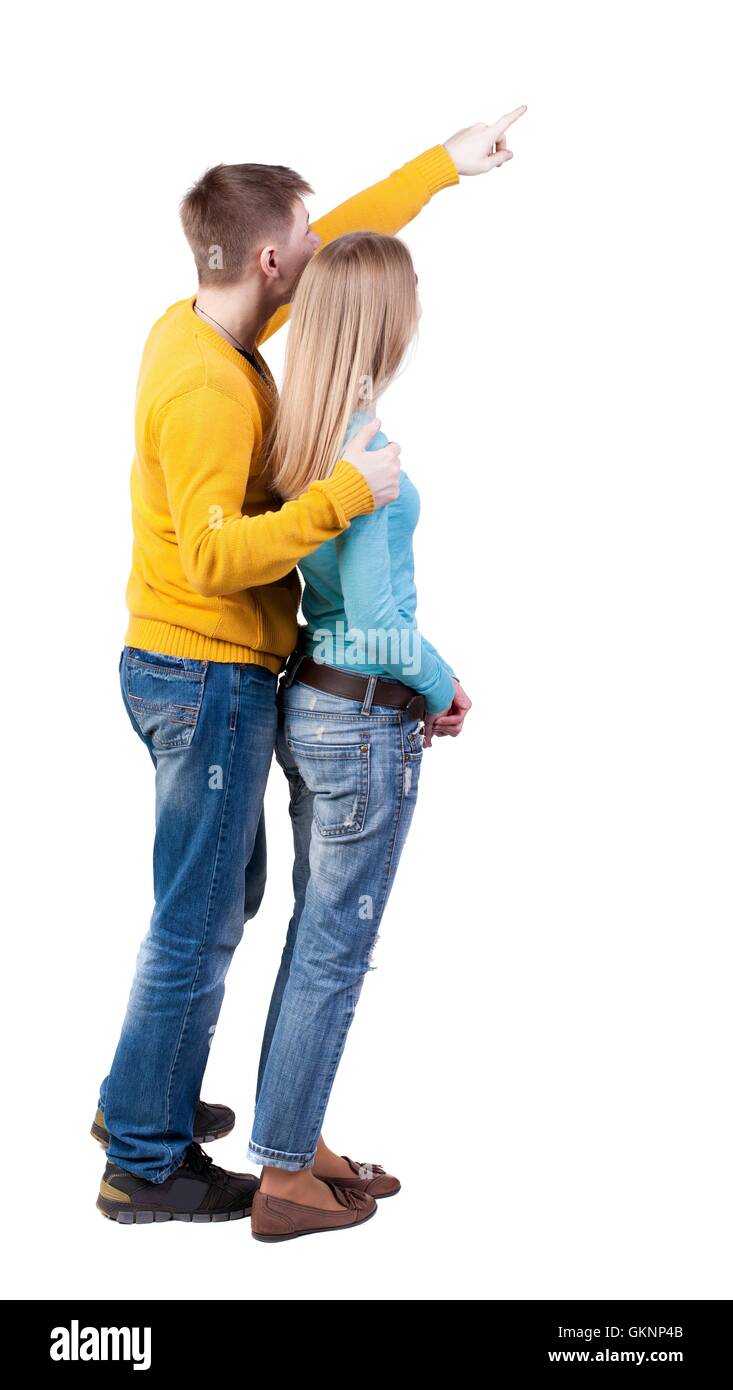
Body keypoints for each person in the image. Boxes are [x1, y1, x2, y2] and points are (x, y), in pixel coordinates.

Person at [94, 110, 526, 1229]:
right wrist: (348, 498)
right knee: (197, 918)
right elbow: (215, 553)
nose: (323, 247)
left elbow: (341, 237)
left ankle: (140, 1099)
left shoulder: (201, 327)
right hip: (206, 675)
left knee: (216, 904)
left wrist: (443, 168)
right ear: (274, 262)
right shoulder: (210, 388)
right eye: (306, 238)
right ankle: (142, 1158)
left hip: (220, 675)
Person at [244, 231, 472, 1241]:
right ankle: (284, 1180)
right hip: (361, 718)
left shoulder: (302, 433)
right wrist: (442, 681)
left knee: (315, 946)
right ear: (388, 319)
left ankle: (297, 1144)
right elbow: (379, 621)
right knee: (332, 952)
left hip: (312, 705)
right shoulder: (365, 450)